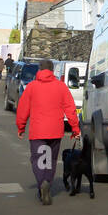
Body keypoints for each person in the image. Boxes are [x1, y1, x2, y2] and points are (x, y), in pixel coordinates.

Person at [16, 58, 79, 205]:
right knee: (50, 160)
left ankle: (41, 182)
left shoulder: (31, 87)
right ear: (52, 71)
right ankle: (47, 183)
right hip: (55, 131)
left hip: (37, 131)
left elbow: (22, 109)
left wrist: (21, 127)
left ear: (39, 70)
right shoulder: (61, 87)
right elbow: (70, 109)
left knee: (38, 159)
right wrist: (75, 128)